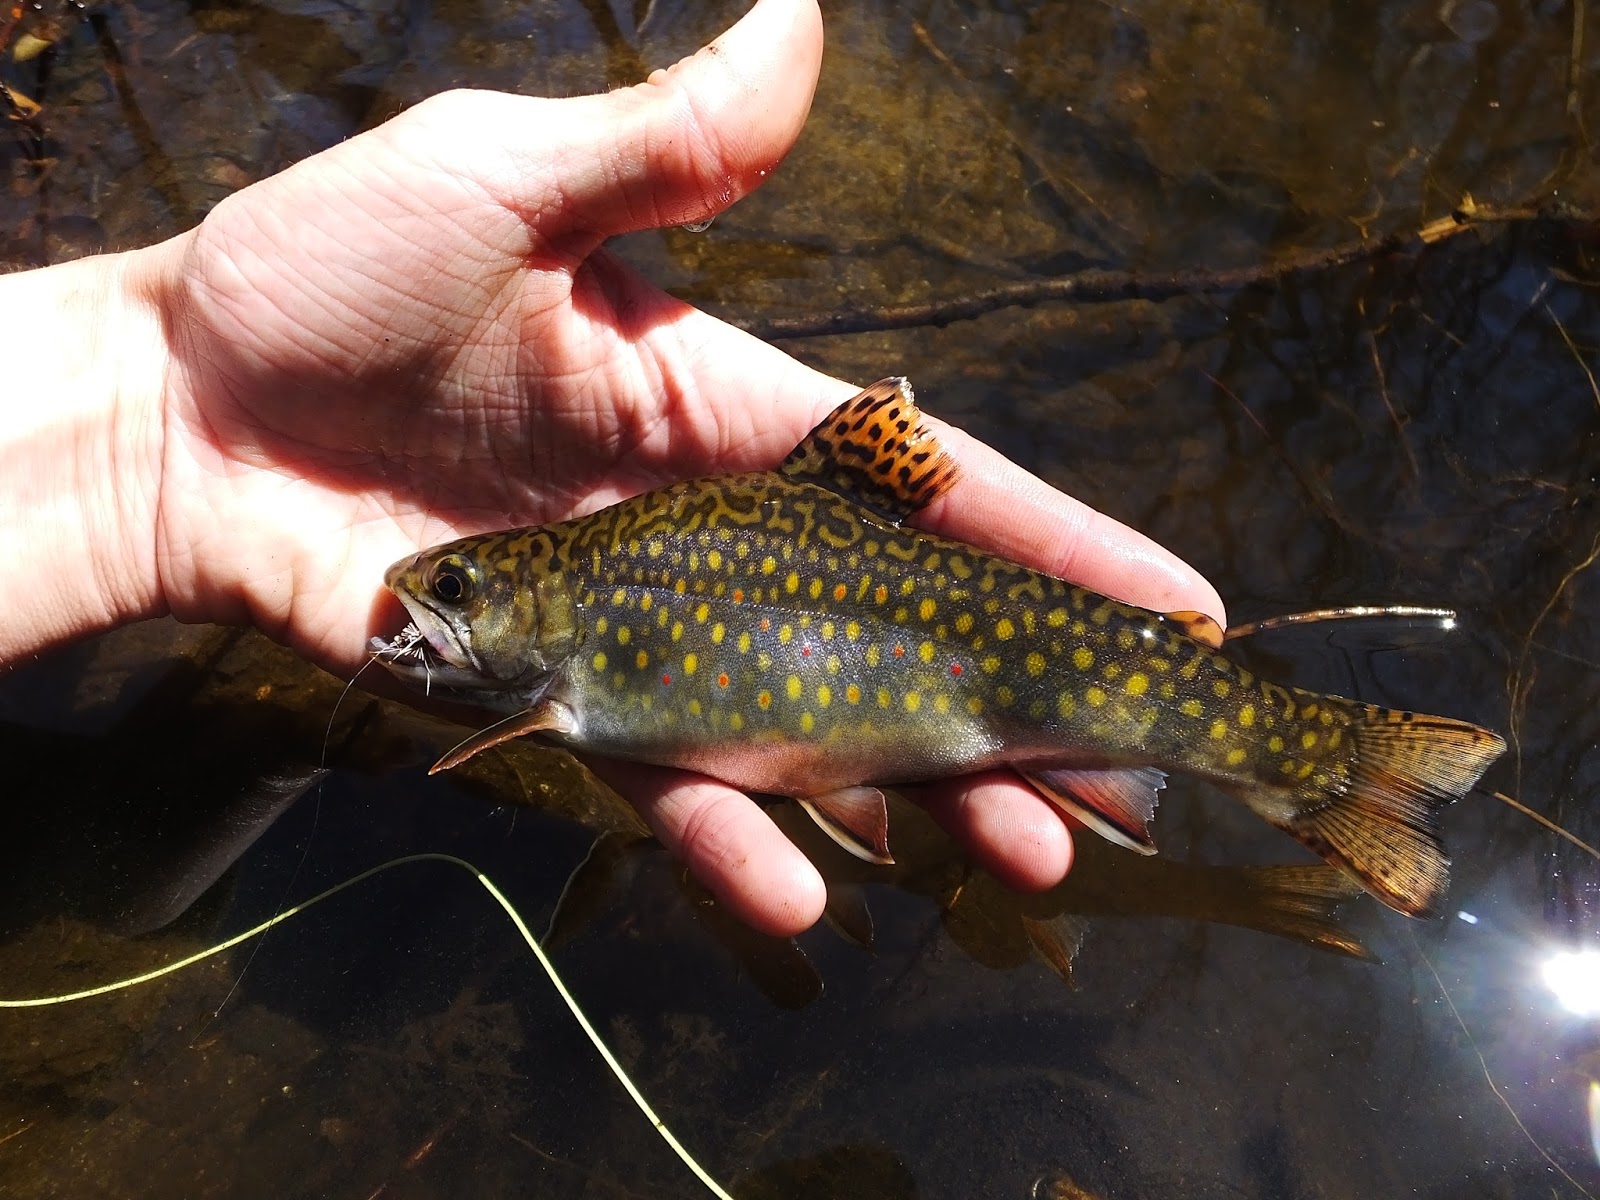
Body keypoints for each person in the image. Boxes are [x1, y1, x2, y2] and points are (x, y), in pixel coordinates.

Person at [0, 0, 1223, 936]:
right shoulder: (579, 607)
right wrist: (166, 399)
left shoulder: (573, 638)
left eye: (465, 591)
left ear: (534, 586)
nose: (426, 597)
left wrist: (159, 406)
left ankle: (1312, 761)